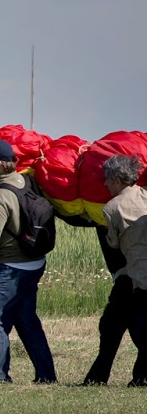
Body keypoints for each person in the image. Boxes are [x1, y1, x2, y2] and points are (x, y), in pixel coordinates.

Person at [0, 138, 56, 383]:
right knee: (26, 320)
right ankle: (47, 376)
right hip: (35, 263)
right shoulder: (29, 182)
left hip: (11, 268)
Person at [87, 154, 147, 386]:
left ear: (116, 180)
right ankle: (103, 377)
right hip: (134, 276)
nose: (104, 184)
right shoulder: (144, 195)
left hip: (136, 275)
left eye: (107, 180)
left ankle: (139, 378)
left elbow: (113, 243)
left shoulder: (112, 208)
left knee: (129, 328)